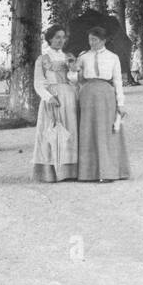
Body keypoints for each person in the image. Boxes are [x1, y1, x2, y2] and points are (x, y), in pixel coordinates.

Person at [76, 26, 130, 182]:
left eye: (95, 40)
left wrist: (121, 103)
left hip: (106, 95)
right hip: (87, 95)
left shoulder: (113, 57)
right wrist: (75, 70)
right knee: (88, 131)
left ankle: (108, 172)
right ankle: (88, 173)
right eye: (90, 40)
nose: (92, 43)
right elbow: (76, 80)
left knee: (106, 132)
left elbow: (118, 81)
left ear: (103, 40)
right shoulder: (83, 56)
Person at [31, 25, 80, 182]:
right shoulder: (43, 58)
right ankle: (50, 172)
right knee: (51, 133)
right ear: (50, 38)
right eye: (57, 37)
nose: (60, 40)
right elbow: (38, 82)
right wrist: (48, 97)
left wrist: (73, 69)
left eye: (63, 37)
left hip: (69, 97)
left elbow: (74, 80)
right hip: (53, 97)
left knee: (70, 132)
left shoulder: (69, 56)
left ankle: (69, 171)